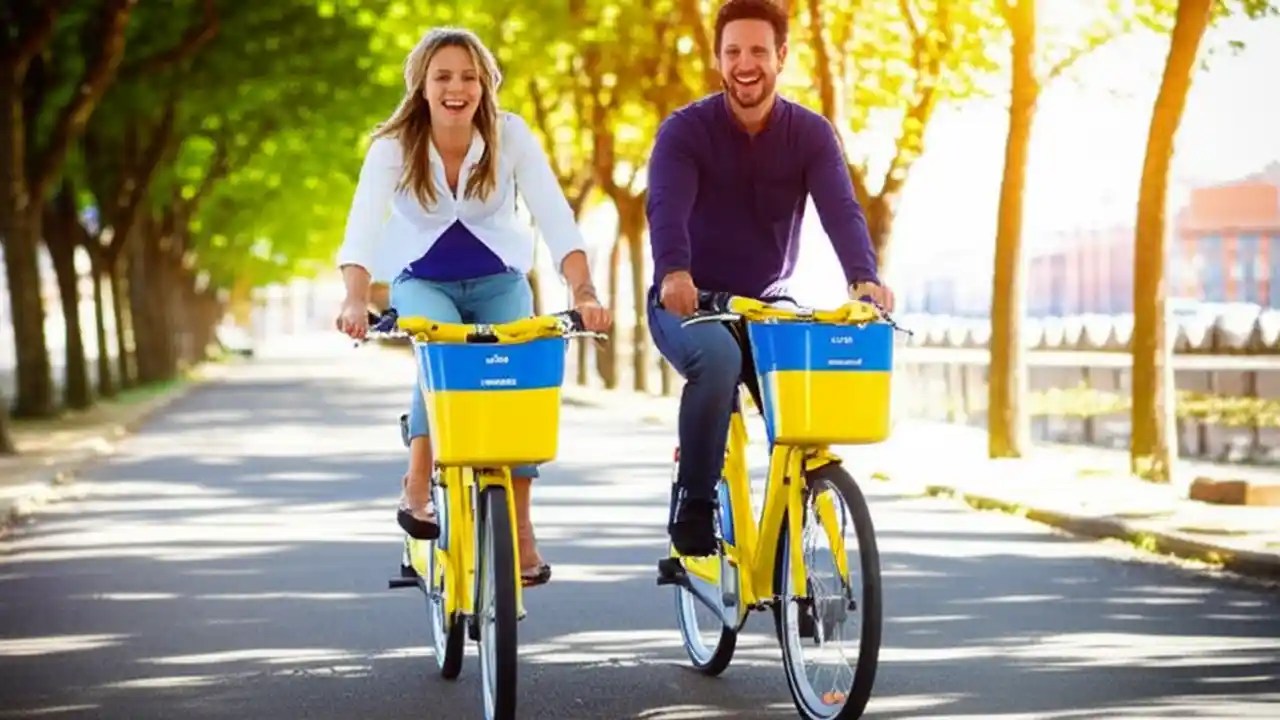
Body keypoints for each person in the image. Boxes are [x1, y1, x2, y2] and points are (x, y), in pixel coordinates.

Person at [334, 27, 612, 587]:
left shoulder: (511, 136)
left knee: (522, 371)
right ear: (422, 86)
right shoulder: (394, 145)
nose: (456, 88)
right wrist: (356, 299)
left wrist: (583, 293)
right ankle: (418, 483)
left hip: (498, 279)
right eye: (443, 77)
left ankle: (523, 528)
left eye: (469, 77)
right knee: (439, 351)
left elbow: (555, 217)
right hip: (423, 279)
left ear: (485, 86)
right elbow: (362, 227)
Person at [645, 0, 896, 557]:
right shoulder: (684, 131)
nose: (745, 62)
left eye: (759, 50)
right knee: (718, 360)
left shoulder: (809, 134)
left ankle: (798, 520)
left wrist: (864, 279)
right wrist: (674, 272)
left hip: (766, 302)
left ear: (781, 57)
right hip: (689, 300)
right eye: (733, 51)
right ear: (718, 60)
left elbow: (842, 209)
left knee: (806, 382)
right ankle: (696, 501)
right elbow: (666, 207)